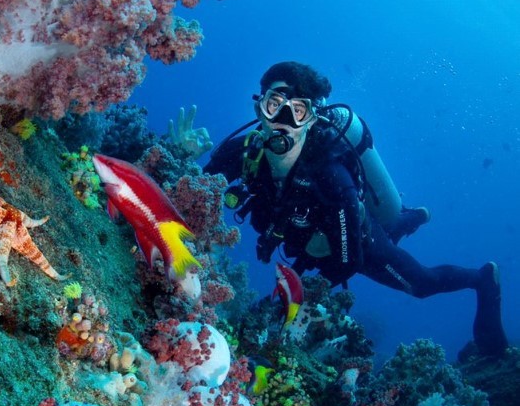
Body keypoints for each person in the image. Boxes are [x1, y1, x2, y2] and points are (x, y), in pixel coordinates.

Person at [205, 60, 508, 357]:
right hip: (309, 238)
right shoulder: (242, 152)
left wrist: (293, 295)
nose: (283, 121)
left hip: (355, 239)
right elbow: (198, 186)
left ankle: (481, 278)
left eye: (297, 111)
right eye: (275, 105)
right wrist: (181, 154)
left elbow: (348, 262)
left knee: (422, 284)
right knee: (384, 229)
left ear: (311, 118)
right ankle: (406, 219)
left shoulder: (331, 178)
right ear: (259, 106)